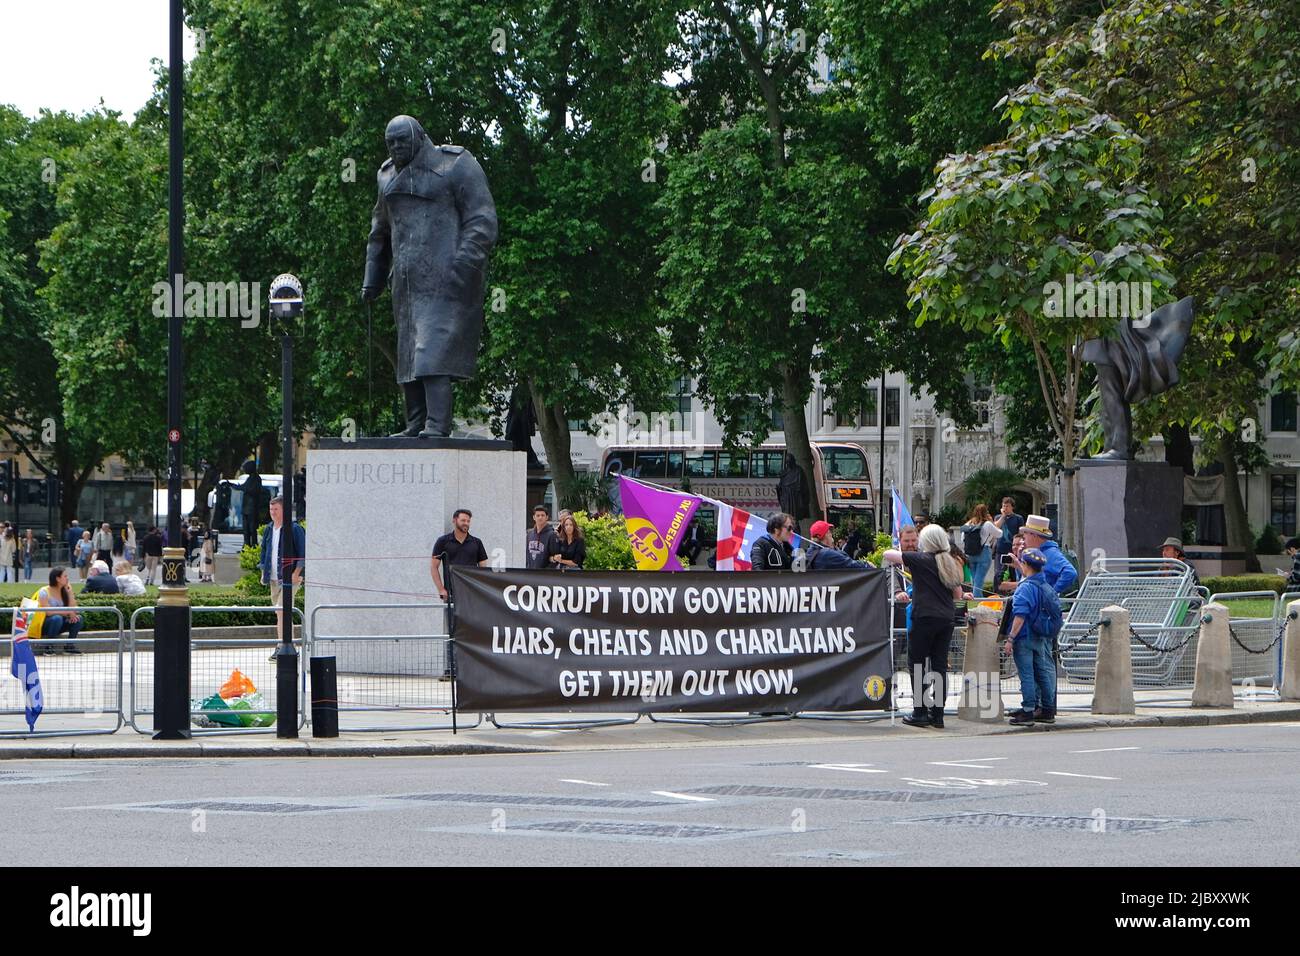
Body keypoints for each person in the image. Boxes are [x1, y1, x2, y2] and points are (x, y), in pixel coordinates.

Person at [882, 524, 968, 729]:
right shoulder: (950, 561)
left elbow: (887, 554)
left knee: (917, 664)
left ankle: (919, 712)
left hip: (924, 617)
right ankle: (937, 714)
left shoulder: (920, 559)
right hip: (946, 618)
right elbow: (958, 594)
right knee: (939, 666)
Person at [1003, 548, 1063, 726]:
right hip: (1040, 636)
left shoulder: (1026, 588)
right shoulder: (1044, 586)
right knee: (1041, 672)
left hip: (1024, 637)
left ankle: (1028, 710)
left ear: (1027, 564)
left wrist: (1010, 639)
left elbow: (1020, 616)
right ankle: (1047, 709)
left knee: (1027, 674)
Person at [259, 495, 306, 636]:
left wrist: (297, 573)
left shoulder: (295, 529)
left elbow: (303, 552)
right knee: (280, 613)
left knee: (281, 610)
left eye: (276, 509)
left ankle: (284, 646)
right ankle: (284, 644)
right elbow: (264, 552)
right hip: (273, 577)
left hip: (290, 578)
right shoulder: (269, 529)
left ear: (284, 510)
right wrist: (263, 573)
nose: (272, 512)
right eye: (271, 509)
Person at [430, 508, 488, 605]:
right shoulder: (442, 541)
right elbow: (433, 567)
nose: (466, 523)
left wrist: (480, 588)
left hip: (472, 592)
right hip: (451, 594)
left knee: (471, 620)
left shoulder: (477, 542)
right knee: (452, 620)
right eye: (463, 520)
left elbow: (484, 569)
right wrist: (441, 589)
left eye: (468, 521)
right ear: (454, 520)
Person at [1019, 514, 1078, 595]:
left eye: (1026, 532)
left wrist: (1051, 593)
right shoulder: (1044, 552)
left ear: (1034, 536)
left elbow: (1070, 573)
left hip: (1041, 606)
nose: (1023, 536)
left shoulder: (1051, 553)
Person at [35, 567, 82, 655]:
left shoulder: (65, 590)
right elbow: (48, 612)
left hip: (60, 623)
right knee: (57, 618)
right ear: (58, 579)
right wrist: (68, 613)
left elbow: (74, 609)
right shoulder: (44, 591)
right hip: (46, 624)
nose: (67, 578)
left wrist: (70, 593)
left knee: (78, 619)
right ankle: (48, 647)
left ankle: (69, 646)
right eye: (65, 576)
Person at [959, 504, 1000, 597]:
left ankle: (975, 601)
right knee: (979, 581)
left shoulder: (968, 524)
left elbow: (962, 539)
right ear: (986, 512)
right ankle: (977, 602)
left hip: (970, 554)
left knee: (975, 580)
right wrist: (992, 522)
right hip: (984, 552)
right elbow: (999, 534)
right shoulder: (987, 523)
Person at [992, 496, 1024, 568]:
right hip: (1000, 549)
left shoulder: (1018, 518)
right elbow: (995, 528)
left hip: (1012, 549)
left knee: (1011, 570)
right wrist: (1003, 516)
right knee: (998, 572)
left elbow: (1020, 534)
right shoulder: (998, 517)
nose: (1005, 508)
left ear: (1012, 507)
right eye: (1004, 506)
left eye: (1007, 506)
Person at [525, 504, 558, 570]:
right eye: (538, 515)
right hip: (530, 573)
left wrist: (546, 572)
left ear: (547, 517)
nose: (540, 517)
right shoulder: (529, 534)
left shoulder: (552, 535)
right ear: (534, 517)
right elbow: (527, 555)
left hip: (544, 575)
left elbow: (555, 557)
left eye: (542, 515)